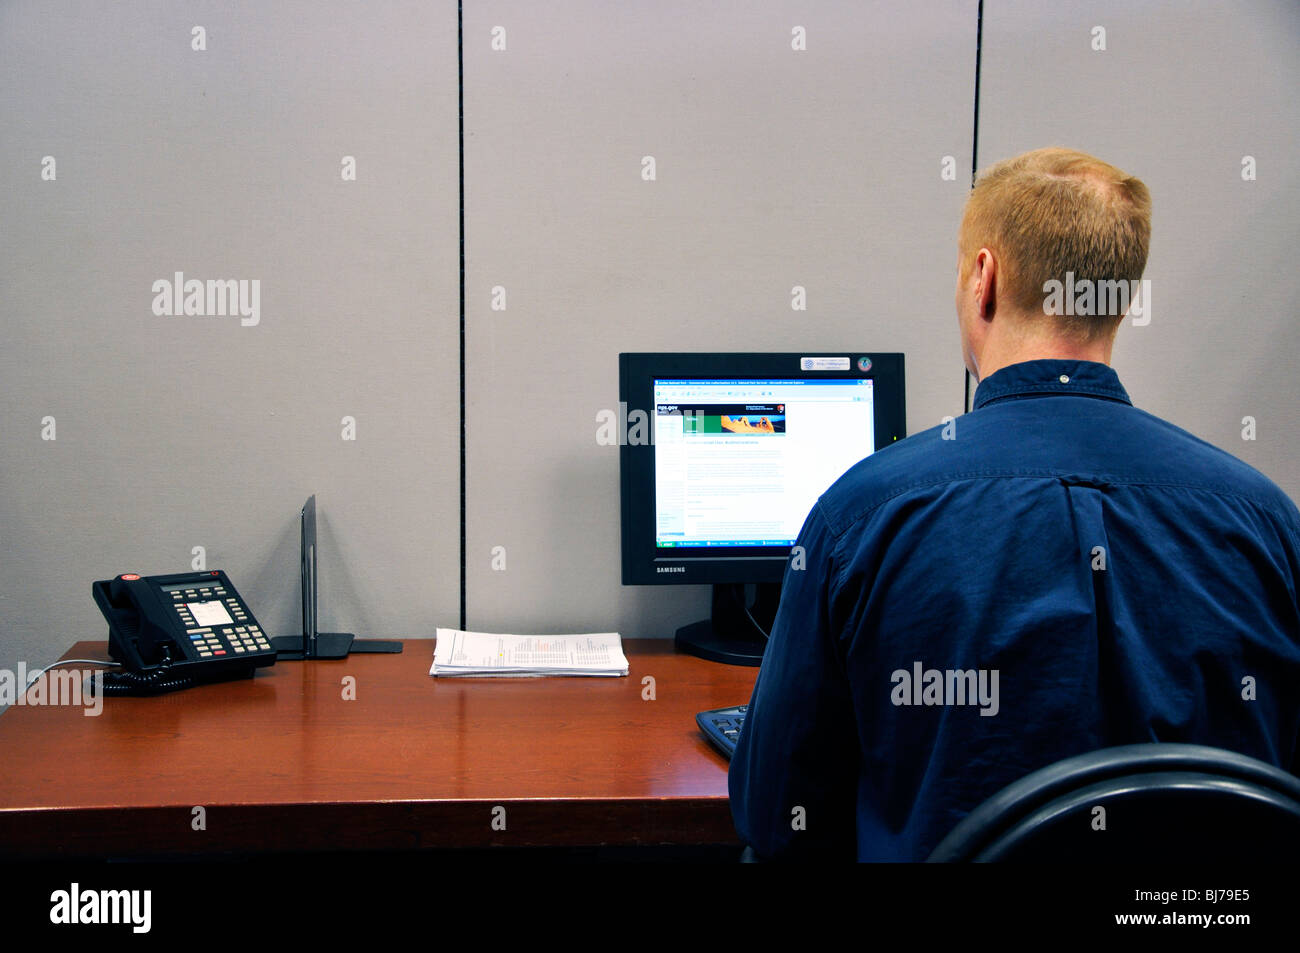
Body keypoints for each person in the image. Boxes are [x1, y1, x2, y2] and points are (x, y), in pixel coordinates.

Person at [728, 147, 1300, 861]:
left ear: (984, 280)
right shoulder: (1270, 523)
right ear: (1118, 299)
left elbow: (777, 816)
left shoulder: (861, 515)